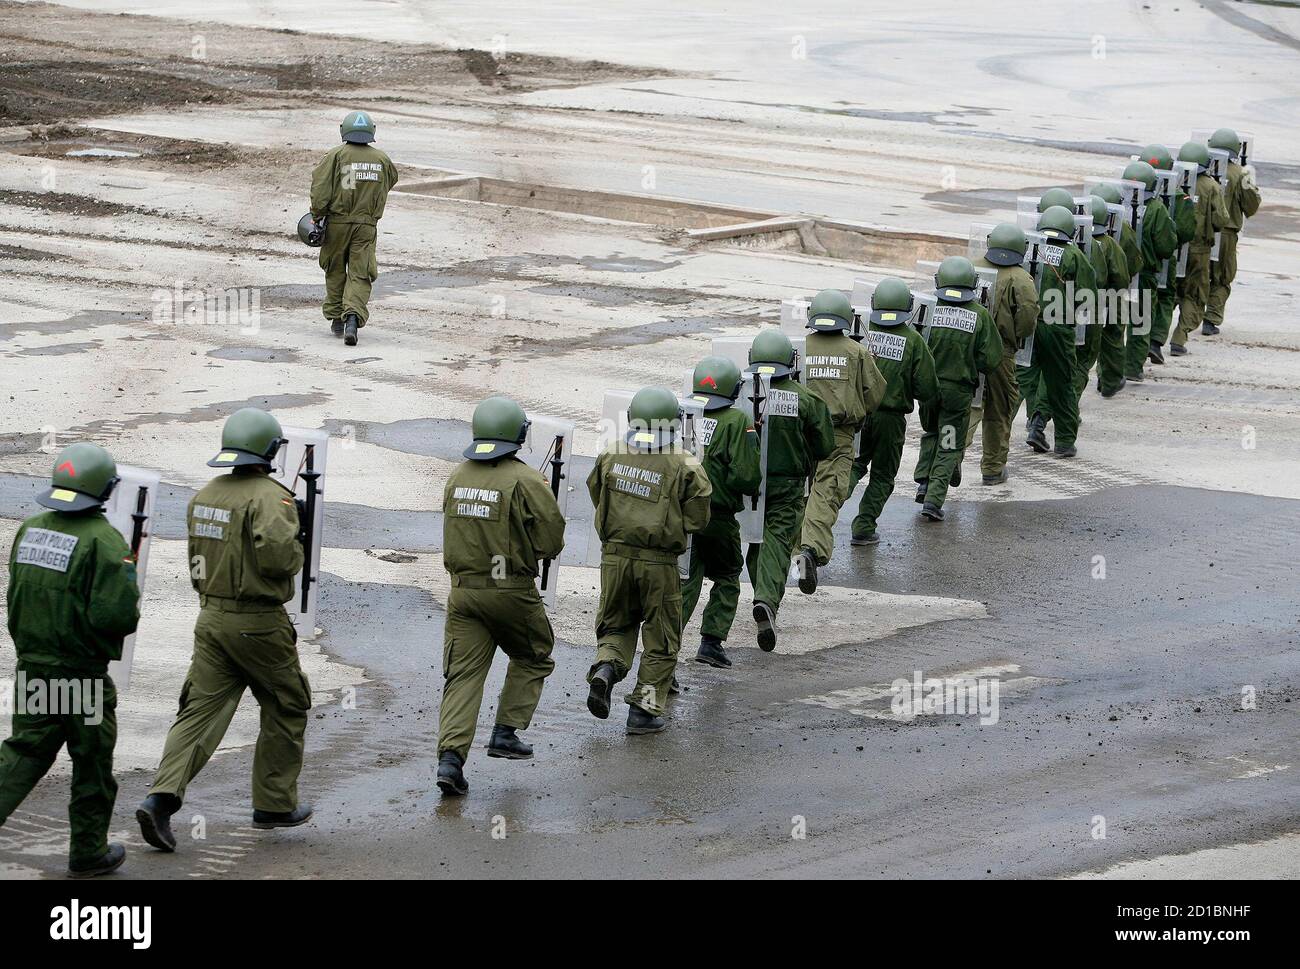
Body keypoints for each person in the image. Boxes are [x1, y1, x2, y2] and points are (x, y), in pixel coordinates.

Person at [137, 408, 312, 853]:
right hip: (258, 622)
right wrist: (299, 537)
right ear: (270, 451)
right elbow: (278, 560)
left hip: (211, 619)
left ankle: (160, 798)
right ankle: (273, 804)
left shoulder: (205, 495)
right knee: (286, 702)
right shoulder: (273, 498)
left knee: (198, 711)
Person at [0, 444, 139, 877]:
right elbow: (114, 615)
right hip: (82, 676)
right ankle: (87, 851)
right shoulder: (104, 541)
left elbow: (15, 596)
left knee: (24, 752)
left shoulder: (31, 528)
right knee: (92, 763)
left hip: (33, 666)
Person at [435, 397, 566, 796]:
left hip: (462, 592)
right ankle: (505, 732)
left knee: (463, 675)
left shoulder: (458, 475)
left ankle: (450, 760)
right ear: (518, 434)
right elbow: (551, 540)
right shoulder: (526, 480)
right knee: (534, 653)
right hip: (509, 589)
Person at [586, 388, 712, 734]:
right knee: (662, 639)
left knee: (616, 625)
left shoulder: (611, 453)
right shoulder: (684, 462)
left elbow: (596, 492)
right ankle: (644, 710)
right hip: (659, 563)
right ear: (673, 423)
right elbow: (699, 518)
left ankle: (606, 669)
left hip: (613, 558)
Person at [742, 330, 834, 651]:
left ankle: (762, 599)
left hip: (749, 484)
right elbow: (825, 446)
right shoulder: (807, 400)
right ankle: (766, 601)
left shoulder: (743, 395)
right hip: (788, 487)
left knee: (755, 542)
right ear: (789, 361)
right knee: (778, 544)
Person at [795, 289, 885, 590]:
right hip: (839, 434)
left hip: (801, 432)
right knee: (827, 493)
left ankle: (795, 553)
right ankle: (809, 550)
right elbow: (875, 394)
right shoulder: (856, 352)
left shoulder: (798, 348)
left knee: (800, 492)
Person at [681, 358, 762, 670]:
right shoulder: (737, 421)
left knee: (687, 579)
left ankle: (666, 647)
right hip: (718, 516)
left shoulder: (685, 414)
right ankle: (711, 643)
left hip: (684, 513)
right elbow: (746, 477)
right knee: (728, 575)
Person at [848, 278, 938, 542]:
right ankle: (864, 527)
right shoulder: (913, 340)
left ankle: (826, 509)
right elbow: (927, 389)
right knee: (883, 475)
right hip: (891, 419)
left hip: (858, 414)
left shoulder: (859, 331)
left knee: (853, 465)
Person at [913, 256, 1001, 518]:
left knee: (930, 433)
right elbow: (991, 360)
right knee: (949, 442)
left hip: (928, 390)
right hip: (957, 394)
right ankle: (934, 500)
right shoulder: (980, 315)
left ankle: (924, 482)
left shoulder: (927, 309)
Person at [309, 110, 399, 346]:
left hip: (337, 223)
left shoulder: (335, 155)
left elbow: (320, 189)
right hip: (366, 225)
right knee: (360, 272)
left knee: (335, 268)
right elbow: (391, 181)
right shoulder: (382, 159)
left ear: (343, 130)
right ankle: (351, 318)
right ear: (372, 131)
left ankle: (337, 318)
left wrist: (317, 215)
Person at [1025, 207, 1094, 457]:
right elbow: (1087, 297)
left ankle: (1032, 425)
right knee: (1062, 383)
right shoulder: (1074, 255)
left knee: (1023, 380)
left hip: (1027, 324)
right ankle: (1064, 441)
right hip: (1057, 327)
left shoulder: (1030, 247)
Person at [972, 224, 1038, 483]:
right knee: (998, 410)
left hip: (969, 349)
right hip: (1002, 353)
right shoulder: (1021, 278)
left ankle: (951, 455)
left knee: (967, 406)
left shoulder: (972, 267)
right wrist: (1015, 339)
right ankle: (992, 468)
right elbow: (1029, 316)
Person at [1120, 161, 1177, 383]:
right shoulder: (1156, 209)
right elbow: (1165, 246)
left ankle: (1110, 373)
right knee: (1140, 322)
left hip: (1119, 275)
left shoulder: (1117, 205)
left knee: (1114, 325)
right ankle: (1133, 368)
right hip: (1144, 275)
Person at [1170, 141, 1229, 355]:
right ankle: (1179, 338)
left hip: (1174, 249)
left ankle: (1155, 338)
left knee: (1170, 293)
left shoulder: (1172, 182)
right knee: (1194, 295)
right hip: (1199, 251)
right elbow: (1221, 219)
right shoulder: (1211, 186)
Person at [1137, 143, 1194, 364]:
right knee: (1165, 297)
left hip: (1136, 258)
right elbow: (1187, 232)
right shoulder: (1179, 197)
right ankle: (1155, 341)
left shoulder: (1130, 195)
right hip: (1164, 258)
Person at [1203, 127, 1261, 335]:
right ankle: (1210, 320)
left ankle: (1185, 317)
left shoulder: (1201, 169)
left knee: (1198, 274)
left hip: (1201, 232)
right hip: (1227, 233)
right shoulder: (1241, 173)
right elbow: (1251, 207)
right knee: (1222, 276)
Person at [1076, 196, 1131, 399]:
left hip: (1067, 305)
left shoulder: (1073, 241)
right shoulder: (1109, 243)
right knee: (1112, 339)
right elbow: (1122, 277)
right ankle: (1109, 382)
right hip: (1104, 301)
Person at [1091, 183, 1142, 397]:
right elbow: (1133, 264)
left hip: (1080, 298)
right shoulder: (1123, 232)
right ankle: (1109, 381)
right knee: (1113, 336)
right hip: (1113, 295)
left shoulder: (1076, 232)